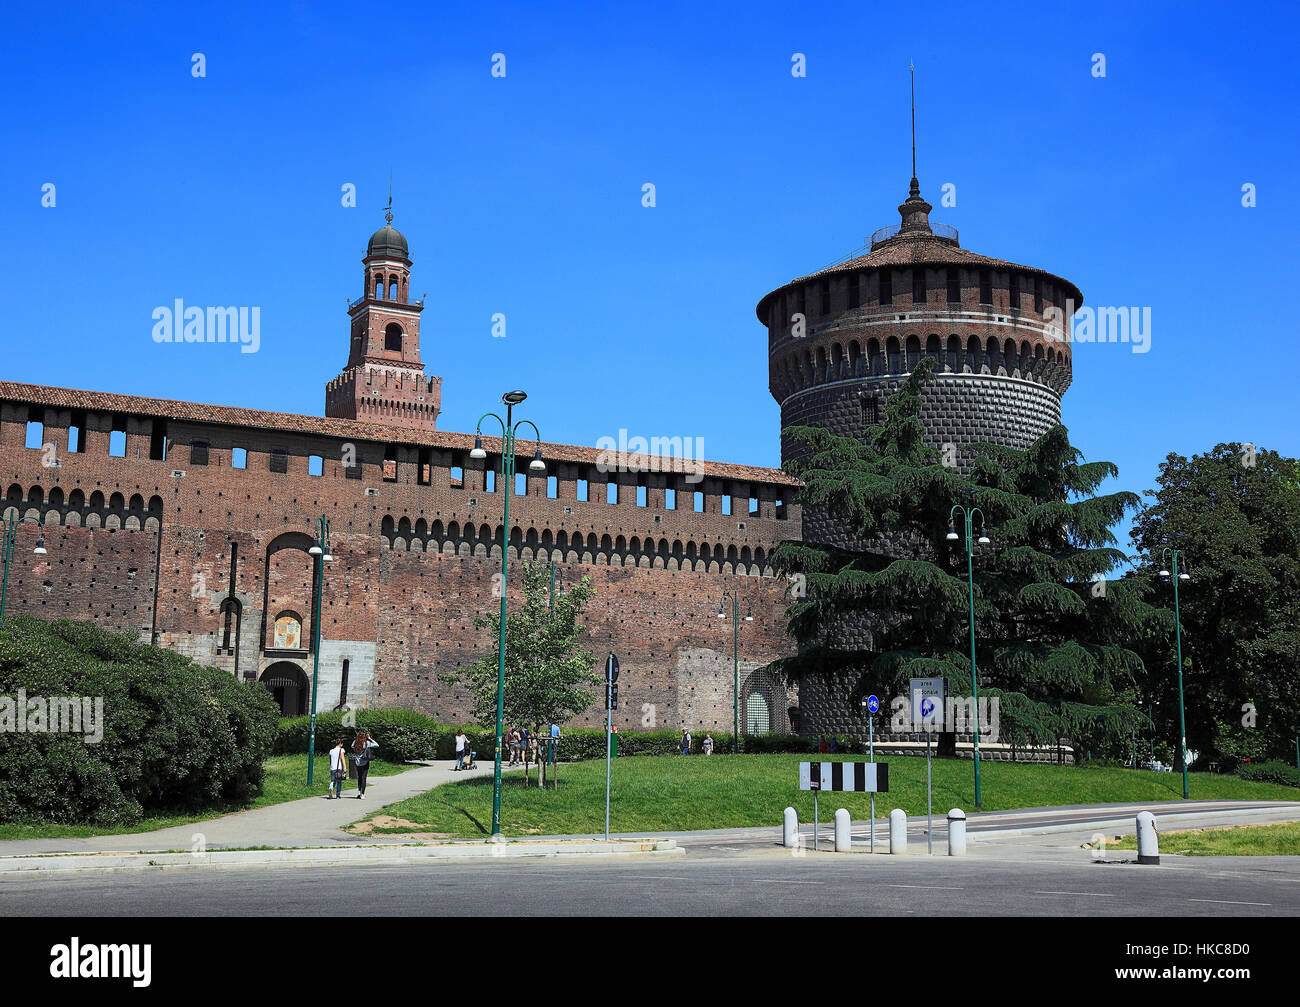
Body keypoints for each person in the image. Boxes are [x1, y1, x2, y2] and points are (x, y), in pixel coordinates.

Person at [352, 730, 378, 799]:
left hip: (357, 763)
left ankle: (359, 792)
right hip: (365, 762)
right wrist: (369, 738)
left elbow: (352, 747)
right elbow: (376, 745)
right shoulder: (366, 743)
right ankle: (362, 794)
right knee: (364, 778)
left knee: (359, 778)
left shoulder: (355, 743)